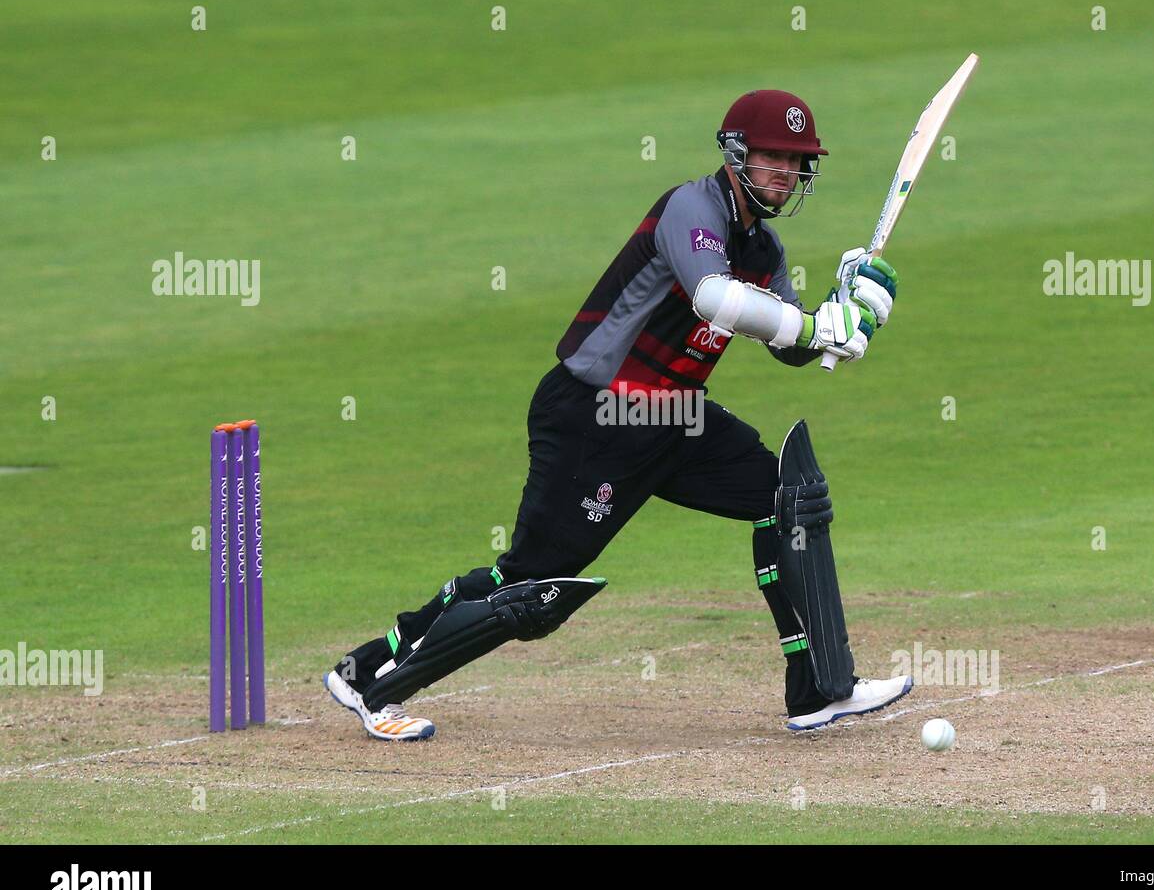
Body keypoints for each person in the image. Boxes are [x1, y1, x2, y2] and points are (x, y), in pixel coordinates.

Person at [324, 89, 912, 740]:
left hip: (675, 417)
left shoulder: (765, 250)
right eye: (775, 158)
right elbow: (716, 300)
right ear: (737, 155)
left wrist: (850, 314)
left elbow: (790, 347)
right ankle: (369, 679)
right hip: (594, 413)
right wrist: (816, 324)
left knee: (788, 498)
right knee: (531, 589)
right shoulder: (692, 208)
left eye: (798, 162)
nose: (787, 174)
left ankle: (819, 691)